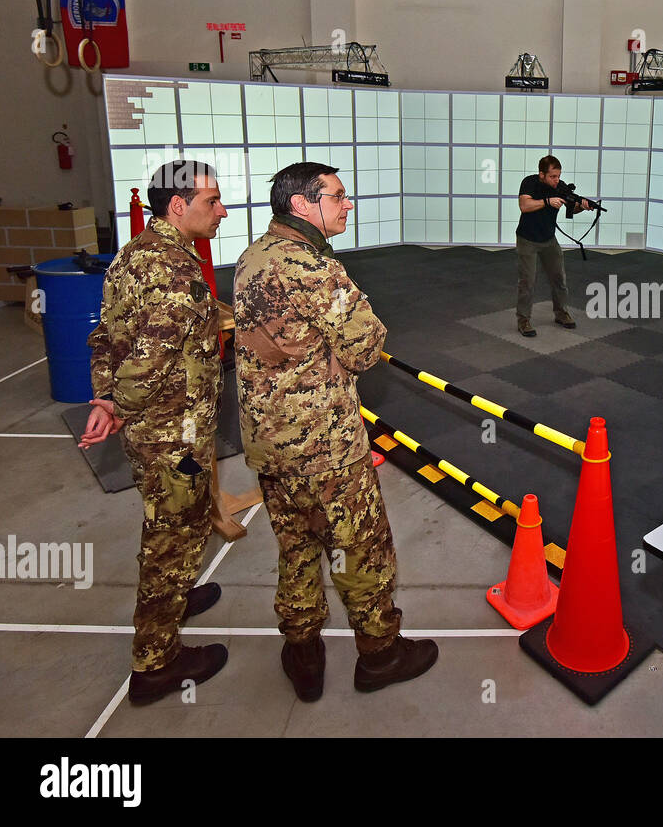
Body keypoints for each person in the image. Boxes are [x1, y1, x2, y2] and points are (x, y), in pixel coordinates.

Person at [232, 161, 436, 702]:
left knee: (296, 545)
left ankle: (302, 652)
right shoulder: (313, 269)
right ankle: (380, 655)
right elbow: (365, 348)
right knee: (359, 549)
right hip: (323, 446)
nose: (347, 205)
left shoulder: (254, 255)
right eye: (338, 197)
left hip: (269, 442)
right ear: (302, 205)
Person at [82, 159, 230, 706]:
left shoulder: (136, 255)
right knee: (173, 536)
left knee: (171, 523)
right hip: (172, 436)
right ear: (177, 206)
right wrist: (121, 402)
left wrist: (104, 397)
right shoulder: (170, 271)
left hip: (153, 431)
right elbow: (147, 362)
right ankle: (155, 664)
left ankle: (175, 599)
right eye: (211, 201)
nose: (221, 211)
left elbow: (106, 337)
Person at [514, 154, 588, 337]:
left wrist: (583, 206)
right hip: (527, 239)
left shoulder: (560, 187)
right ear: (541, 174)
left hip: (549, 240)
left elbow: (572, 208)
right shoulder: (529, 183)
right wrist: (547, 201)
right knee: (527, 282)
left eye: (558, 176)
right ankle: (523, 320)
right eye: (552, 176)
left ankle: (561, 313)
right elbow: (524, 205)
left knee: (559, 279)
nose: (556, 180)